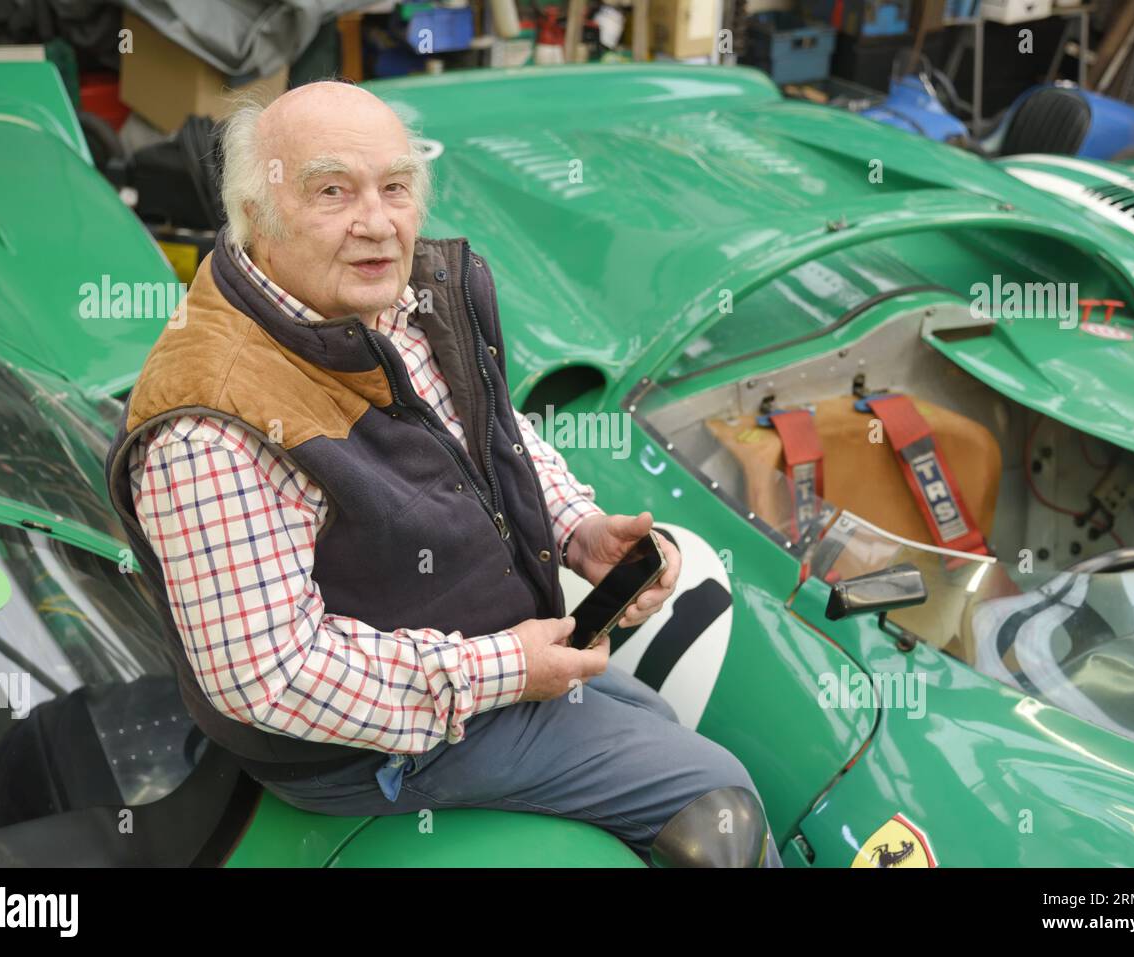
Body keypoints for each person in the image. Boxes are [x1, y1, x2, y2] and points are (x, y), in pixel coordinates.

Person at [104, 80, 782, 867]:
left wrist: (575, 528)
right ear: (257, 213)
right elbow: (269, 677)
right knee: (716, 788)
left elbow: (491, 428)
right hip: (364, 740)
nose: (378, 223)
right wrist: (505, 669)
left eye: (395, 187)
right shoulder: (209, 424)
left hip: (481, 656)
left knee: (653, 718)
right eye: (333, 191)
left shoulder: (386, 297)